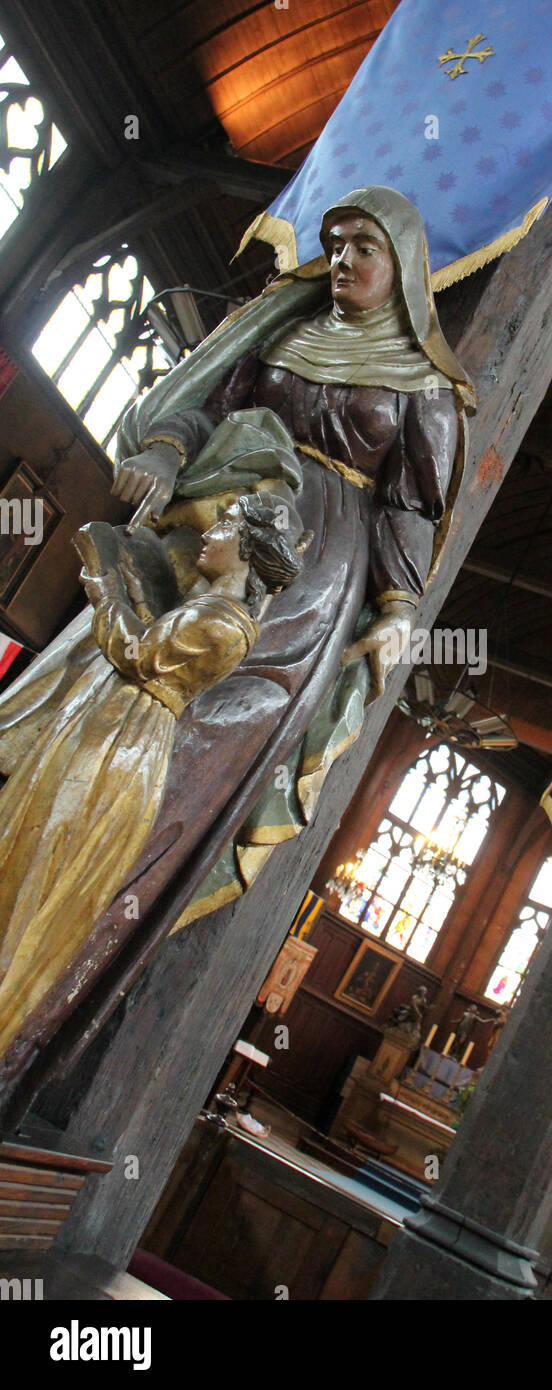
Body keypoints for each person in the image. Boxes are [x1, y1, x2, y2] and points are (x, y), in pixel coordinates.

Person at [0, 187, 473, 1077]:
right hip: (209, 528)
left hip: (311, 582)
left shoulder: (426, 391)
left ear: (404, 267)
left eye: (363, 246)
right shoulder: (284, 331)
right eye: (334, 243)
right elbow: (201, 402)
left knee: (188, 768)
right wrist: (166, 450)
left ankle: (51, 978)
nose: (341, 261)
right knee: (92, 687)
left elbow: (410, 509)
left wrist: (398, 613)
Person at [0, 495, 308, 1060]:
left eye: (225, 526)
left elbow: (138, 654)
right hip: (104, 721)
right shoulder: (208, 604)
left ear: (247, 547)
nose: (210, 533)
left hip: (120, 744)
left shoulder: (225, 624)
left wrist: (104, 582)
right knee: (19, 837)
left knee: (42, 858)